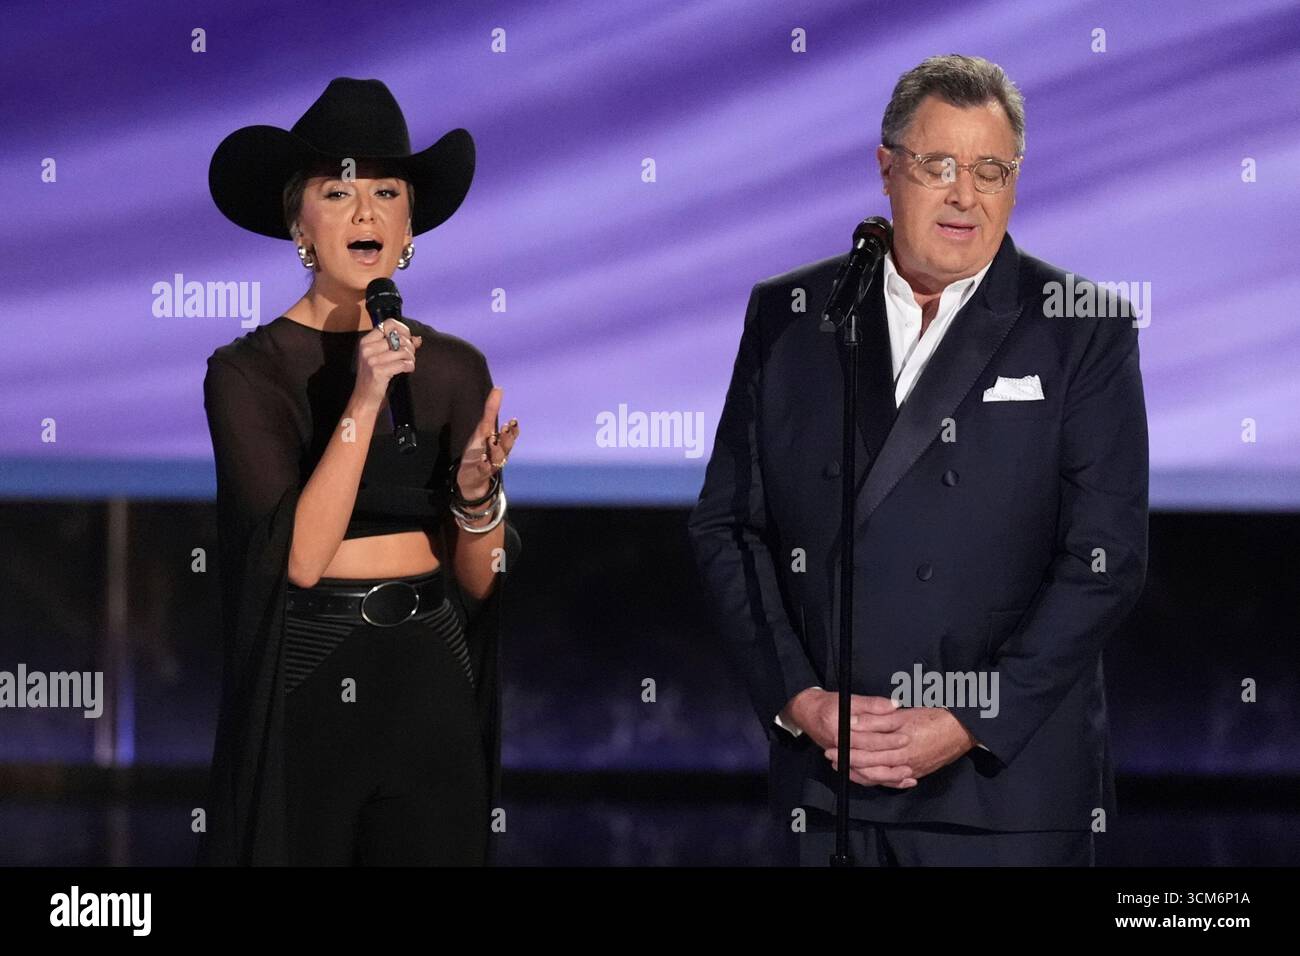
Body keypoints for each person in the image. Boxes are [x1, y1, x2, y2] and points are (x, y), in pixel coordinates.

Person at [688, 54, 1148, 865]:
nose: (966, 194)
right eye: (940, 165)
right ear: (887, 169)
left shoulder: (1081, 327)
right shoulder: (794, 316)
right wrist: (800, 701)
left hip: (1003, 796)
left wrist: (970, 717)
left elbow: (1104, 562)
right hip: (830, 783)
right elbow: (729, 527)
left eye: (991, 170)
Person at [198, 77, 521, 866]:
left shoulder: (451, 367)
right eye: (337, 190)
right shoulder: (248, 372)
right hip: (315, 668)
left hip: (429, 671)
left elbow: (483, 584)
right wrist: (366, 395)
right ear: (298, 223)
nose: (365, 211)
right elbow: (299, 559)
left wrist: (479, 500)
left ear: (409, 227)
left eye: (386, 190)